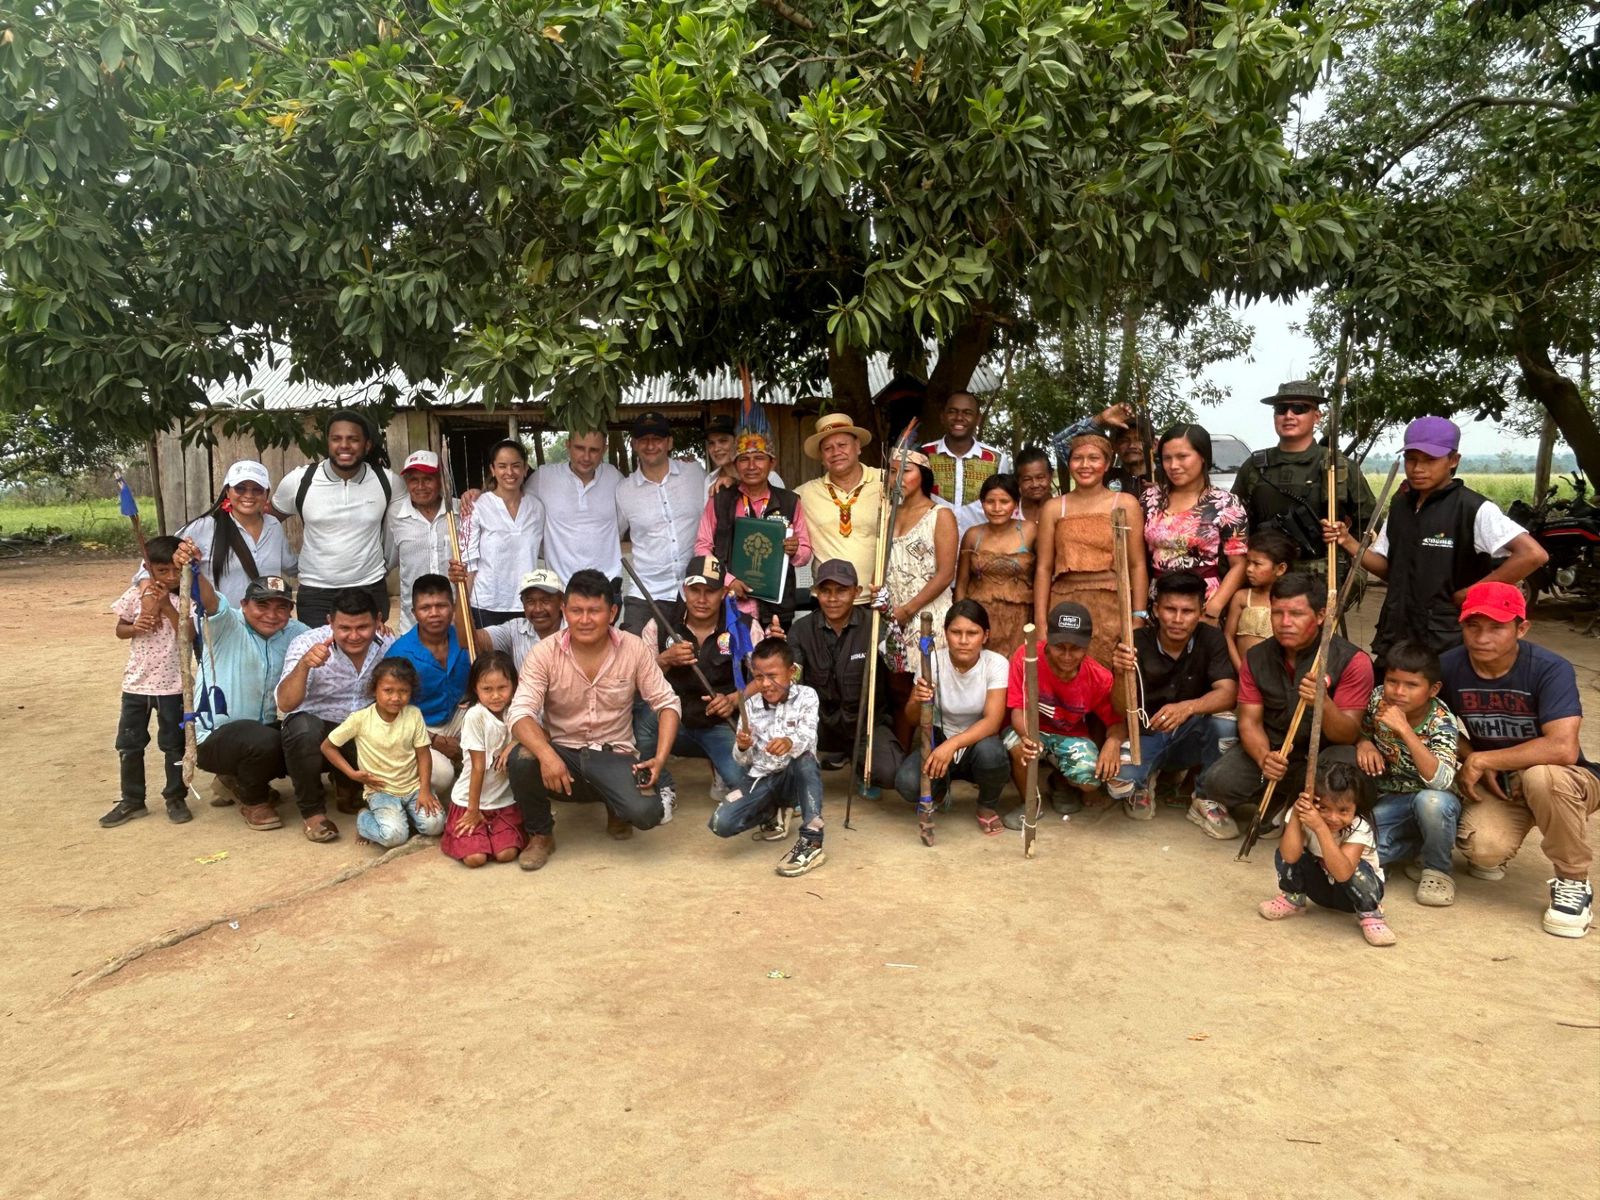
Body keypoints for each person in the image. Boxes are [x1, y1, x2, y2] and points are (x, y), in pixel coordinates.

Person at [1438, 582, 1600, 938]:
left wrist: (1484, 761)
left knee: (1542, 777)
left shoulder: (1549, 668)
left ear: (1521, 628)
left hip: (1567, 778)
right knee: (1482, 851)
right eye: (1472, 626)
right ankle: (1513, 831)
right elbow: (1437, 723)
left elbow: (1562, 748)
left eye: (1496, 627)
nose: (1482, 638)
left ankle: (1573, 882)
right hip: (1505, 785)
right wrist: (1473, 756)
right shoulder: (1449, 666)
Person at [1330, 417, 1547, 664]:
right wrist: (1347, 541)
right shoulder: (1401, 506)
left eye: (1430, 460)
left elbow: (1532, 554)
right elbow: (1390, 570)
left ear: (1453, 460)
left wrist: (1473, 593)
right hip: (1396, 634)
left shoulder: (1473, 508)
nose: (1418, 468)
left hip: (1445, 641)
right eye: (1411, 459)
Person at [504, 570, 681, 871]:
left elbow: (668, 703)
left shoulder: (633, 648)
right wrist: (547, 756)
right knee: (522, 758)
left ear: (612, 612)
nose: (584, 620)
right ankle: (541, 834)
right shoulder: (543, 653)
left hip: (614, 754)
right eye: (576, 611)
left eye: (594, 611)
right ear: (564, 611)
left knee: (647, 815)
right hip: (564, 754)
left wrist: (661, 758)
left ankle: (617, 808)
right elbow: (520, 712)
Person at [1199, 573, 1374, 841]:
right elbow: (1249, 722)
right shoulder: (1256, 657)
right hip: (1276, 748)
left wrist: (1323, 703)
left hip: (1324, 755)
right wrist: (1263, 758)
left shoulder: (1352, 660)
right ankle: (1280, 799)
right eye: (1277, 613)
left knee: (1346, 763)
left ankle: (1290, 803)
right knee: (1218, 783)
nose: (1285, 623)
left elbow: (1347, 734)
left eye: (1296, 614)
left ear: (1320, 616)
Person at [176, 542, 308, 830]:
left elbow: (335, 639)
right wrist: (194, 569)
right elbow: (209, 599)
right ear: (244, 605)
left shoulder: (296, 633)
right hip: (213, 738)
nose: (272, 615)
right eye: (262, 605)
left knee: (305, 737)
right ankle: (255, 800)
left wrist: (377, 629)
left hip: (261, 732)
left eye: (281, 608)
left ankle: (233, 779)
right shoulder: (225, 624)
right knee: (263, 741)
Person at [1108, 572, 1238, 824]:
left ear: (1201, 612)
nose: (1178, 619)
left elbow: (1229, 693)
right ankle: (1144, 779)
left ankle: (1205, 796)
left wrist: (1188, 707)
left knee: (1226, 726)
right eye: (1170, 609)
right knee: (1118, 783)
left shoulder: (1212, 639)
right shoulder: (1134, 643)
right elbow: (1119, 708)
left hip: (1188, 735)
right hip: (1143, 736)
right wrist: (1119, 673)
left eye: (1187, 611)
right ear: (1156, 610)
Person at [634, 554, 761, 811]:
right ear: (684, 590)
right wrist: (665, 660)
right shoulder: (659, 623)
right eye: (695, 590)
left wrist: (735, 700)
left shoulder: (744, 626)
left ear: (724, 593)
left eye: (710, 591)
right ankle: (663, 784)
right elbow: (636, 679)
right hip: (672, 723)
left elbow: (766, 678)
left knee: (743, 785)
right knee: (641, 717)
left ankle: (719, 768)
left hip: (717, 724)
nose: (701, 599)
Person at [276, 589, 393, 843]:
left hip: (362, 729)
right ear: (330, 622)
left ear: (378, 620)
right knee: (303, 728)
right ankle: (313, 813)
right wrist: (305, 665)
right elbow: (285, 703)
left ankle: (346, 784)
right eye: (344, 628)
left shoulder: (390, 644)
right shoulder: (307, 643)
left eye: (363, 627)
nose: (353, 636)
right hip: (316, 727)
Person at [1001, 602, 1128, 830]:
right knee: (1020, 746)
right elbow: (1017, 709)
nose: (1067, 656)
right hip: (1029, 728)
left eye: (1076, 648)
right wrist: (1027, 737)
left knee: (1090, 780)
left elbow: (1117, 721)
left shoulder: (1099, 677)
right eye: (1060, 646)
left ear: (1088, 645)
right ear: (1047, 637)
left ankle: (1059, 781)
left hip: (1068, 736)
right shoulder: (1026, 656)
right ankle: (1029, 802)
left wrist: (1114, 741)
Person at [1355, 641, 1462, 908]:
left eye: (1412, 685)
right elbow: (1362, 729)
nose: (1398, 692)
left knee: (1433, 803)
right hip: (1390, 797)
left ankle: (1437, 868)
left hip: (1430, 798)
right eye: (1393, 681)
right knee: (1360, 847)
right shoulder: (1379, 697)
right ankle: (1413, 848)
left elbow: (1441, 781)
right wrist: (1364, 743)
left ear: (1433, 689)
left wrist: (1404, 730)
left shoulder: (1442, 721)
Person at [1034, 430, 1147, 680]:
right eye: (1078, 458)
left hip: (1113, 606)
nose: (1085, 465)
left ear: (1107, 464)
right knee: (1066, 675)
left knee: (1111, 679)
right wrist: (1041, 622)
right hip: (1065, 602)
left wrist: (1138, 616)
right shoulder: (1054, 507)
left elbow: (1137, 565)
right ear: (1069, 463)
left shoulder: (1126, 503)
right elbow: (1043, 568)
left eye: (1094, 458)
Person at [1231, 380, 1375, 574]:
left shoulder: (1338, 466)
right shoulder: (1254, 466)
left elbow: (1369, 523)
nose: (1289, 415)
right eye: (1281, 409)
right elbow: (1233, 522)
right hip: (1263, 578)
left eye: (1299, 408)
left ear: (1317, 416)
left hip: (1321, 578)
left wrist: (1343, 540)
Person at [712, 638, 828, 877]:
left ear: (792, 672)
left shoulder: (807, 696)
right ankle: (771, 812)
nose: (765, 684)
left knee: (805, 759)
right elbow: (742, 762)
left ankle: (812, 841)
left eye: (773, 675)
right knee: (720, 824)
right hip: (761, 778)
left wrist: (789, 742)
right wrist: (743, 747)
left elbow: (808, 735)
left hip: (793, 779)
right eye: (758, 677)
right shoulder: (750, 705)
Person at [894, 600, 1011, 836]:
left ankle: (986, 806)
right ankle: (939, 788)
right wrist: (917, 698)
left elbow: (992, 721)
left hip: (976, 741)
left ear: (985, 636)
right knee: (906, 782)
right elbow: (912, 718)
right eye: (956, 632)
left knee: (993, 755)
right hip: (937, 737)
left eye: (972, 633)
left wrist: (953, 745)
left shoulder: (996, 664)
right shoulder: (931, 661)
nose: (964, 640)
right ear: (946, 634)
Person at [273, 410, 400, 626]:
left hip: (369, 588)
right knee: (320, 657)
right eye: (336, 439)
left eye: (353, 439)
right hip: (316, 594)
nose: (344, 445)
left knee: (371, 658)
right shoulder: (300, 481)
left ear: (367, 445)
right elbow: (267, 523)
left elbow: (403, 526)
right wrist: (290, 563)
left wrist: (385, 565)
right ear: (327, 443)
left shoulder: (387, 482)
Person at [99, 535, 190, 828]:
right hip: (135, 685)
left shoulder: (186, 598)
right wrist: (135, 627)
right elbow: (120, 630)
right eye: (163, 571)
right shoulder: (136, 595)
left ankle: (176, 797)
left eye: (176, 570)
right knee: (129, 743)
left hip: (173, 686)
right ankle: (132, 800)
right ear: (148, 569)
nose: (171, 576)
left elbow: (188, 637)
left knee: (174, 745)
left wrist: (166, 605)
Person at [694, 402, 811, 630]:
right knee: (732, 664)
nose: (751, 466)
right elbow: (702, 548)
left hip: (776, 610)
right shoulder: (720, 500)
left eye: (759, 458)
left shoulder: (789, 501)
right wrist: (728, 580)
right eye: (744, 460)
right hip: (731, 605)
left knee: (774, 664)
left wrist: (795, 549)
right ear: (736, 464)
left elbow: (805, 553)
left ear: (772, 463)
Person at [1257, 757, 1397, 947]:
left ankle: (1371, 915)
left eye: (1343, 810)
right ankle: (1294, 898)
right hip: (1321, 891)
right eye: (1323, 808)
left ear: (1356, 807)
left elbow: (1343, 873)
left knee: (1356, 867)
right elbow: (1289, 857)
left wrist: (1321, 828)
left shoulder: (1360, 827)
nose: (1333, 817)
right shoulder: (1303, 815)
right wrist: (1297, 815)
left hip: (1354, 894)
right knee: (1285, 849)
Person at [787, 559, 902, 778]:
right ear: (815, 592)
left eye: (841, 591)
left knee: (889, 772)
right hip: (819, 723)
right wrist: (779, 659)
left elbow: (897, 664)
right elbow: (793, 682)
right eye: (825, 591)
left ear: (857, 592)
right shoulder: (800, 630)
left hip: (865, 725)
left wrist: (890, 619)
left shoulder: (875, 624)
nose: (832, 599)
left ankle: (860, 764)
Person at [320, 658, 445, 849]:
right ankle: (365, 820)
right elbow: (327, 746)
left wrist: (425, 789)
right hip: (381, 790)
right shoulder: (360, 719)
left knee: (435, 825)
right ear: (374, 690)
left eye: (403, 691)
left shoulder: (413, 714)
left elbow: (423, 754)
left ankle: (401, 818)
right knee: (394, 837)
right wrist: (352, 774)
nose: (396, 697)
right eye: (388, 690)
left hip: (413, 787)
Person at [1141, 423, 1248, 623]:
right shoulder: (1150, 499)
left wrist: (1213, 608)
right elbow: (1138, 560)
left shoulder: (1225, 503)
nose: (1173, 465)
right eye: (1167, 458)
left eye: (1182, 457)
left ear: (1203, 457)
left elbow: (1239, 565)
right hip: (1158, 602)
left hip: (1204, 603)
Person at [615, 410, 707, 634]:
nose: (650, 445)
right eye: (643, 440)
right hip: (646, 592)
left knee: (693, 660)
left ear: (669, 442)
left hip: (695, 589)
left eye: (657, 439)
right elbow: (611, 536)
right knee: (633, 658)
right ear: (634, 444)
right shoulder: (623, 490)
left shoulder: (695, 472)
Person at [162, 460, 296, 607]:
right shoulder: (202, 527)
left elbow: (292, 565)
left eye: (257, 489)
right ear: (227, 491)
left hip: (266, 622)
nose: (248, 495)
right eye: (240, 488)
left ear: (267, 494)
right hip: (221, 624)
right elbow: (157, 559)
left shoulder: (273, 526)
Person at [440, 651, 528, 868]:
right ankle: (473, 833)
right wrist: (472, 811)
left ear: (514, 686)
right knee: (475, 859)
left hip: (503, 800)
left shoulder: (516, 711)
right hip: (470, 801)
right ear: (475, 689)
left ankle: (494, 836)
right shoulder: (474, 716)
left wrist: (514, 743)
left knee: (506, 854)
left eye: (502, 688)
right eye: (487, 689)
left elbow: (544, 734)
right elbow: (478, 766)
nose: (495, 696)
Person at [385, 574, 470, 796]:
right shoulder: (400, 653)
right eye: (425, 608)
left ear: (452, 608)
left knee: (501, 720)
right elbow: (391, 714)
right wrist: (433, 740)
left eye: (441, 606)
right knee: (442, 776)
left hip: (456, 716)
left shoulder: (466, 638)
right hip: (419, 726)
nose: (434, 613)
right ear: (414, 613)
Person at [881, 450, 958, 669]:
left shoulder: (940, 515)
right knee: (896, 687)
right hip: (892, 614)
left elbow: (945, 574)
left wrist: (907, 611)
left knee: (928, 684)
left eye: (905, 471)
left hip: (927, 613)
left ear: (923, 474)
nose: (897, 479)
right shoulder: (887, 513)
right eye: (892, 472)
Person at [794, 412, 882, 603]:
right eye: (827, 448)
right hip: (828, 602)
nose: (836, 453)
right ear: (821, 456)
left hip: (878, 599)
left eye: (842, 445)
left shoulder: (885, 484)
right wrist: (730, 478)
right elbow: (766, 497)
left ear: (857, 446)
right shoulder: (804, 494)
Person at [464, 438, 546, 627]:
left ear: (525, 469)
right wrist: (462, 608)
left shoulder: (536, 508)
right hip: (486, 605)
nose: (509, 472)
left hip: (527, 605)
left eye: (516, 466)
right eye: (502, 466)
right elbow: (468, 564)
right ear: (493, 470)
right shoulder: (477, 507)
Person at [528, 428, 624, 588]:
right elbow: (514, 502)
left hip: (607, 585)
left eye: (594, 450)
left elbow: (621, 524)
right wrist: (477, 494)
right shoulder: (544, 478)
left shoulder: (614, 478)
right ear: (568, 445)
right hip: (561, 588)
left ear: (604, 450)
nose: (586, 457)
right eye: (580, 448)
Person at [955, 474, 1036, 661]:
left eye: (1004, 501)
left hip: (1020, 617)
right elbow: (961, 584)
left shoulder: (1030, 531)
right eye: (990, 501)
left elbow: (1042, 574)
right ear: (982, 503)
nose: (997, 508)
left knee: (1018, 668)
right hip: (980, 617)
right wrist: (963, 620)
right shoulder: (973, 535)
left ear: (1016, 503)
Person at [921, 390, 1012, 535]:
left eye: (967, 413)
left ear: (978, 419)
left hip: (980, 550)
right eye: (952, 411)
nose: (959, 417)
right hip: (930, 550)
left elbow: (1006, 507)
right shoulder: (923, 455)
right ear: (942, 416)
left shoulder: (997, 459)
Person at [386, 450, 453, 634]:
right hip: (413, 622)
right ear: (406, 482)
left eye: (428, 479)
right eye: (414, 480)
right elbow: (386, 560)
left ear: (440, 480)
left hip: (455, 618)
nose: (421, 486)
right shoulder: (395, 515)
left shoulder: (459, 511)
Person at [1223, 529, 1297, 671]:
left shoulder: (1291, 601)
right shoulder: (1242, 597)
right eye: (1248, 562)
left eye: (1257, 564)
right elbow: (1228, 636)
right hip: (1243, 674)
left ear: (1280, 569)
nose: (1249, 569)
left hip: (1277, 676)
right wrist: (1241, 671)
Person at [470, 568, 564, 666]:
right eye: (530, 601)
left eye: (545, 601)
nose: (538, 609)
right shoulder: (514, 630)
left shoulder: (574, 631)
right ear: (523, 603)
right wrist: (461, 585)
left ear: (561, 601)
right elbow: (468, 639)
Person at [704, 412, 784, 498]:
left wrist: (735, 483)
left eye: (723, 441)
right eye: (711, 443)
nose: (716, 449)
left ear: (738, 442)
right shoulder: (710, 480)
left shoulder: (770, 477)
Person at [1014, 446, 1056, 525]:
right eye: (1027, 479)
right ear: (1018, 480)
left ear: (1051, 476)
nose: (1035, 485)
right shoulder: (1009, 513)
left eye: (1040, 477)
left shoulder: (1063, 510)